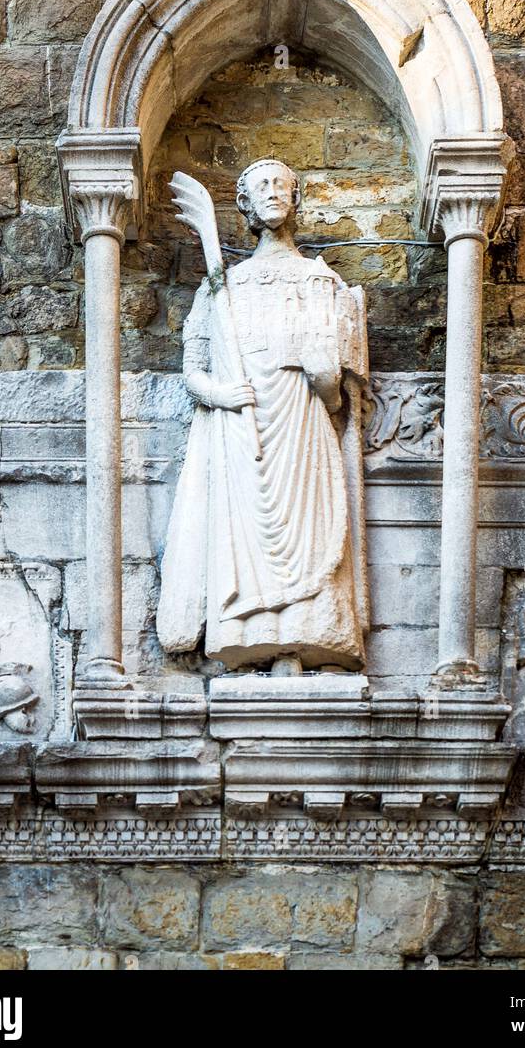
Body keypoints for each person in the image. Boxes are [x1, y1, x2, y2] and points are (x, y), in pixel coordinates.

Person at [157, 158, 369, 672]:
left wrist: (324, 377)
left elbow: (341, 401)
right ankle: (251, 631)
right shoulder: (225, 288)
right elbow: (195, 369)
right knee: (245, 537)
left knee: (314, 529)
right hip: (241, 436)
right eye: (261, 186)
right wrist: (224, 394)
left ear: (295, 198)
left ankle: (310, 629)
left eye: (282, 185)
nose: (274, 192)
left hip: (306, 430)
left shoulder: (326, 285)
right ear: (245, 205)